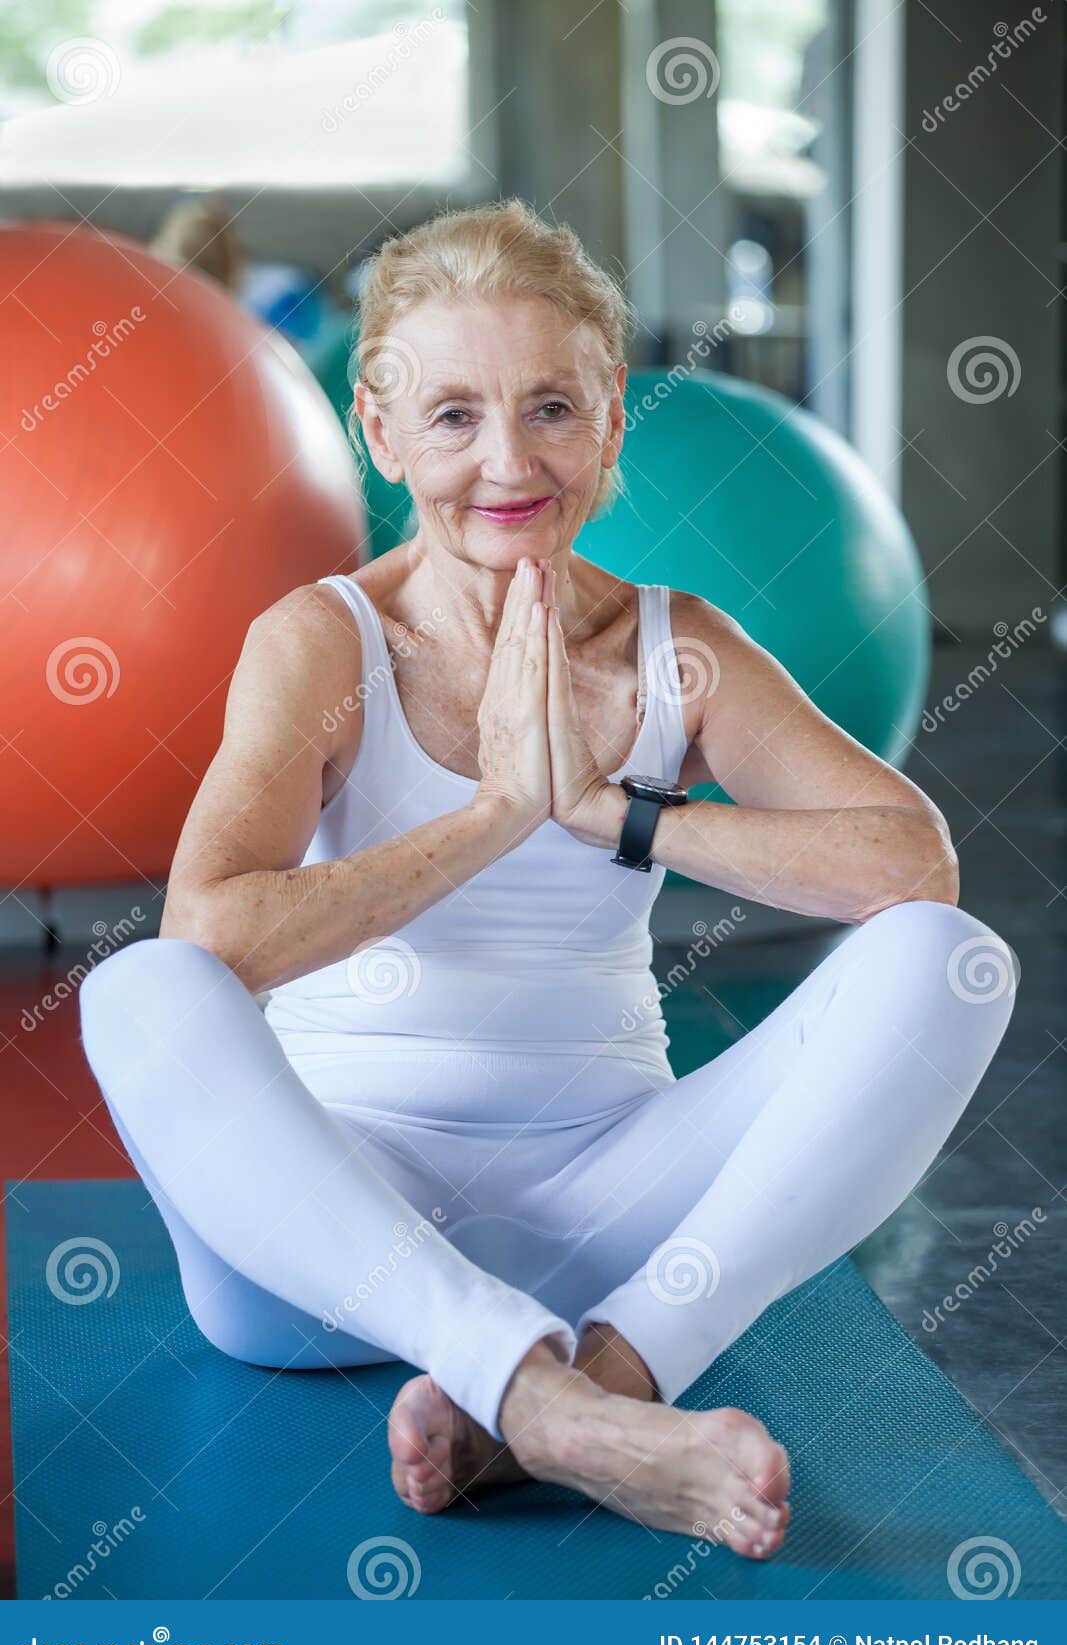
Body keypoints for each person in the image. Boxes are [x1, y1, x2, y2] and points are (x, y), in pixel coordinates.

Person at [79, 199, 1015, 1560]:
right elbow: (211, 930)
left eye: (552, 409)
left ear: (615, 423)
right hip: (328, 1253)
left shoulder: (675, 650)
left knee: (954, 956)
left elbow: (908, 858)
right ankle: (545, 1401)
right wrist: (499, 813)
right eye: (454, 415)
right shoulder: (324, 645)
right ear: (381, 434)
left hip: (613, 1230)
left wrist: (617, 814)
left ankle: (609, 1386)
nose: (507, 461)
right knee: (141, 986)